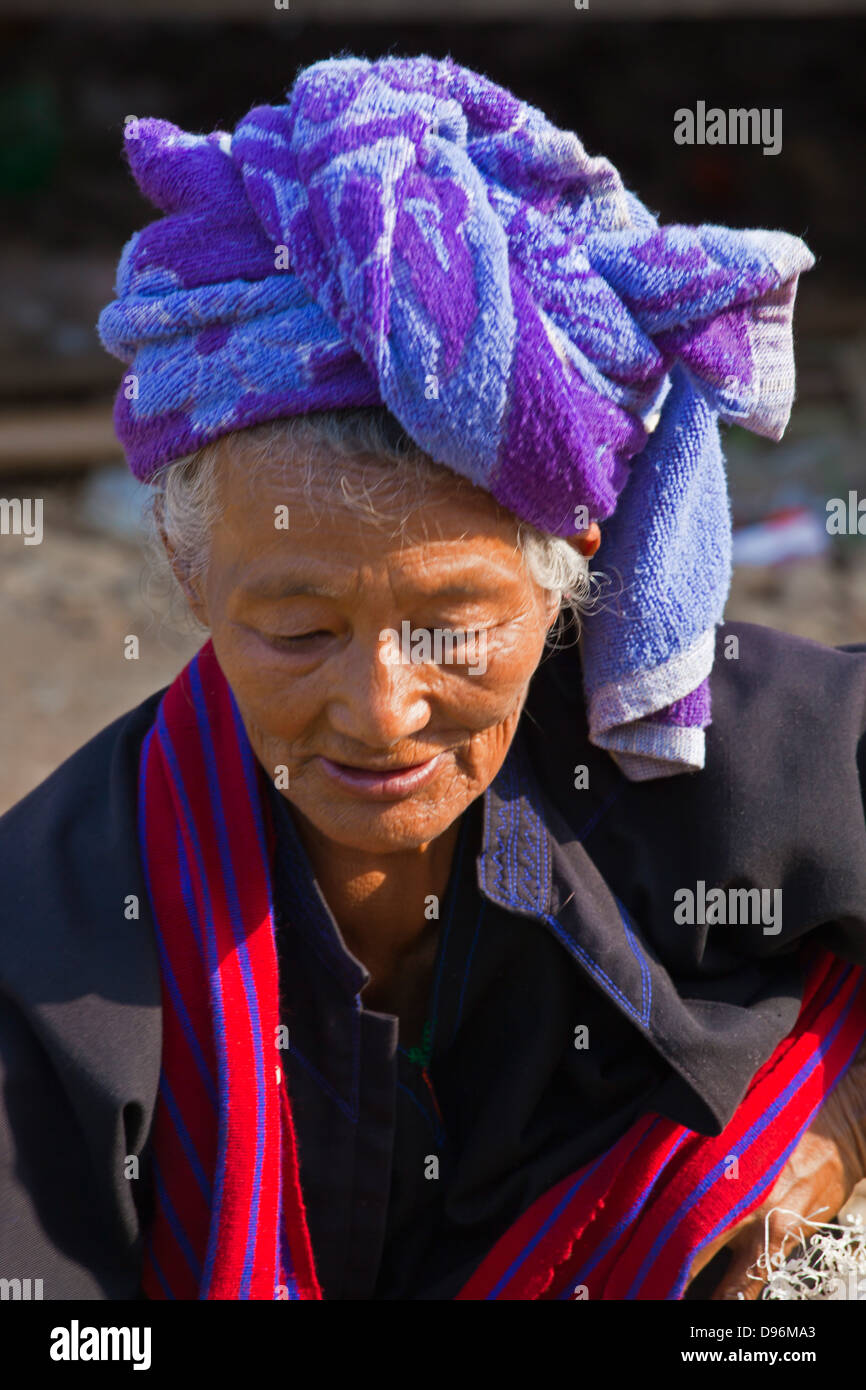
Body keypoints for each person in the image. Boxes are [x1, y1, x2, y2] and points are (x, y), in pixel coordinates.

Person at [2, 52, 866, 1302]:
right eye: (298, 630)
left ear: (569, 572)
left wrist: (832, 1130)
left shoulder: (699, 753)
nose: (380, 711)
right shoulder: (50, 940)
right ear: (191, 578)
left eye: (456, 628)